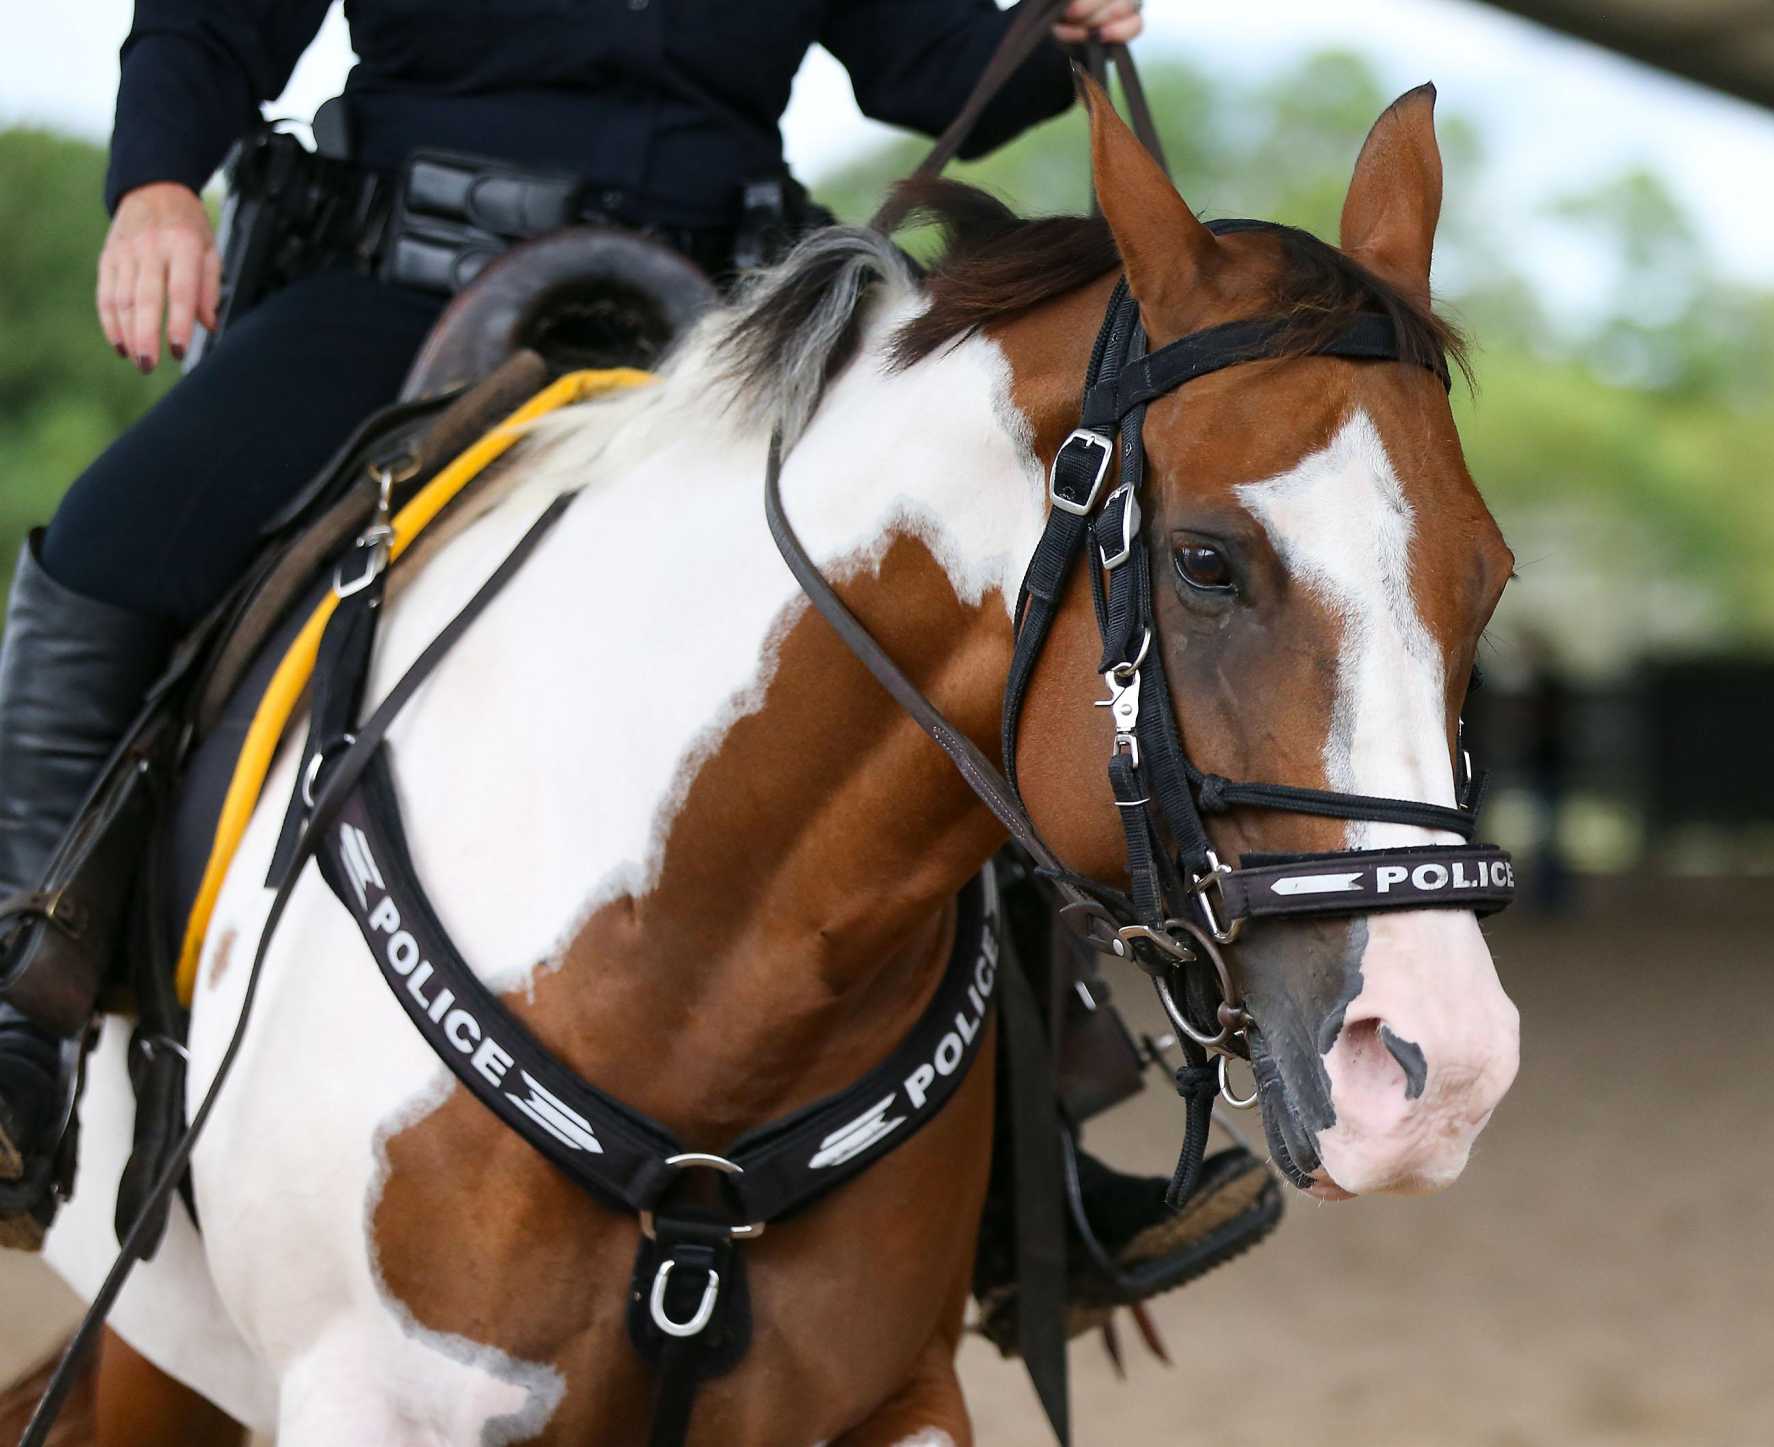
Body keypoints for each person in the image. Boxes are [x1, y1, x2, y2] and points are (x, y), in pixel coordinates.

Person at [0, 0, 1142, 1249]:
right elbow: (206, 28)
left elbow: (924, 66)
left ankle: (1032, 1159)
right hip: (398, 294)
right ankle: (19, 1031)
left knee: (958, 588)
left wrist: (1053, 24)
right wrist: (157, 183)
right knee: (113, 544)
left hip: (729, 322)